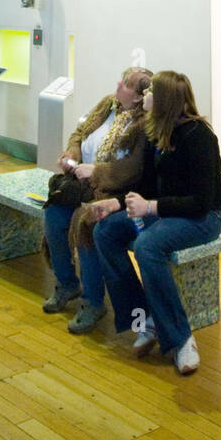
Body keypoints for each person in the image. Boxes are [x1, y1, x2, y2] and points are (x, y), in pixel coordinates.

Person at [92, 70, 221, 375]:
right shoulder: (157, 133)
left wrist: (150, 207)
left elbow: (201, 203)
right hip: (166, 211)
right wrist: (115, 203)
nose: (146, 96)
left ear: (165, 100)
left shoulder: (200, 138)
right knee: (106, 231)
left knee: (147, 246)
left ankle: (181, 339)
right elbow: (147, 182)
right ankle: (146, 318)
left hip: (204, 218)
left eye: (151, 91)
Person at [42, 66, 151, 333]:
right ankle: (67, 283)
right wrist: (72, 152)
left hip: (112, 193)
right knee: (54, 214)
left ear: (138, 97)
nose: (118, 84)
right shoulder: (107, 104)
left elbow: (132, 169)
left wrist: (97, 171)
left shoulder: (142, 124)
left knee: (87, 224)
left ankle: (93, 302)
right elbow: (80, 132)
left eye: (125, 83)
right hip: (82, 184)